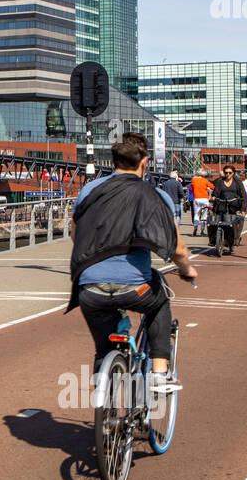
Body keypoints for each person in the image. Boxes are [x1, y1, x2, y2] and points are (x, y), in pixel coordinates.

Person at [68, 132, 196, 395]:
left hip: (89, 288)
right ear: (144, 162)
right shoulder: (156, 195)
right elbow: (179, 250)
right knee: (160, 300)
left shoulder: (89, 191)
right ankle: (159, 374)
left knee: (104, 347)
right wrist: (187, 271)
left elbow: (74, 234)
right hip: (135, 289)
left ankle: (106, 397)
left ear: (112, 161)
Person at [211, 165, 247, 246]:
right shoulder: (220, 181)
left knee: (234, 222)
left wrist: (243, 209)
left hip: (233, 205)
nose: (227, 174)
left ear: (233, 173)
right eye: (226, 172)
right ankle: (214, 239)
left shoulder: (238, 182)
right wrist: (213, 197)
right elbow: (215, 192)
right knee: (216, 222)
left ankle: (234, 239)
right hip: (221, 204)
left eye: (230, 173)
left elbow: (243, 195)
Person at [190, 170, 213, 236]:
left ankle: (195, 227)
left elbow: (191, 189)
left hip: (196, 198)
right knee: (204, 215)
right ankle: (202, 230)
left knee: (196, 214)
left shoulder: (194, 180)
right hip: (204, 199)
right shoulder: (205, 181)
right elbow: (212, 187)